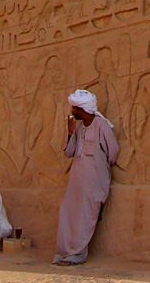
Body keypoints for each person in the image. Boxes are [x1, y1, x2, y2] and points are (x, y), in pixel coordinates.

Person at [53, 89, 119, 265]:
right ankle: (64, 252)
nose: (72, 112)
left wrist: (99, 169)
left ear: (82, 109)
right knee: (68, 213)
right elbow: (69, 152)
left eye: (75, 109)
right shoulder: (80, 129)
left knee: (85, 216)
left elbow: (113, 152)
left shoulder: (101, 126)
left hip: (94, 183)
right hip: (77, 183)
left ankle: (77, 254)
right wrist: (69, 132)